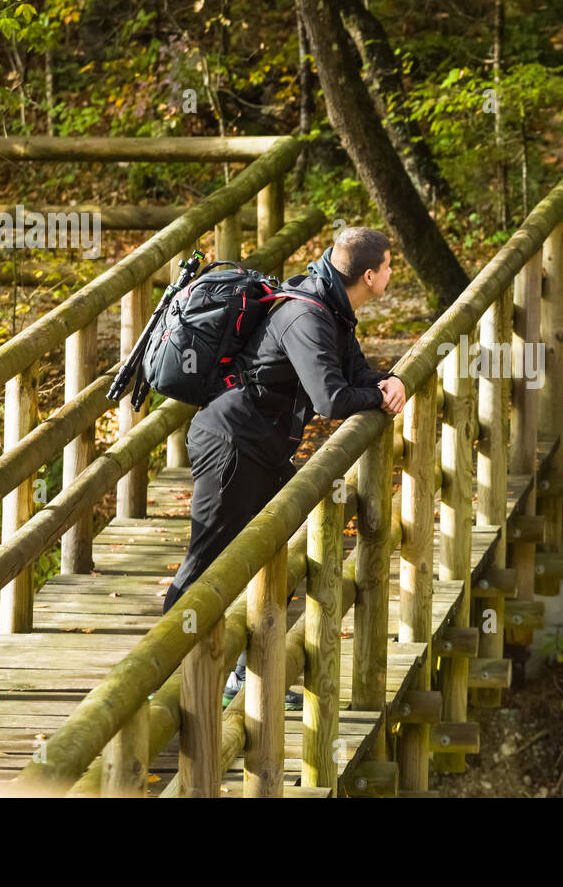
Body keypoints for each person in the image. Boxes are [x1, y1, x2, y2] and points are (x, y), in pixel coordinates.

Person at [161, 227, 407, 708]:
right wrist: (377, 395)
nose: (393, 274)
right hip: (230, 444)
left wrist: (388, 380)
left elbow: (353, 375)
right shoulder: (307, 314)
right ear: (371, 274)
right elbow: (330, 397)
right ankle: (162, 681)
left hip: (264, 448)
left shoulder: (332, 306)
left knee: (286, 548)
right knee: (205, 561)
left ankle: (243, 673)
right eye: (390, 267)